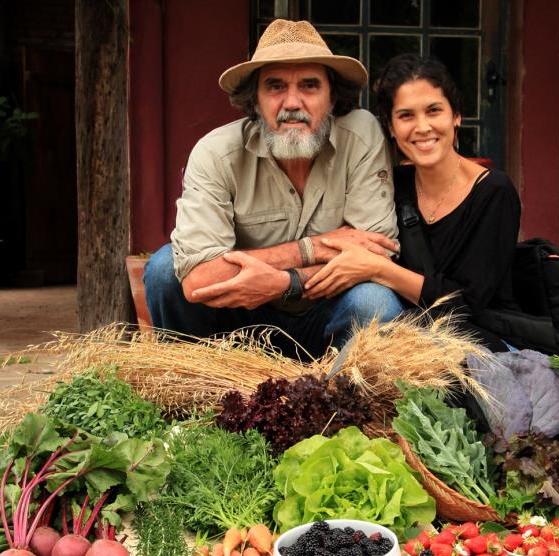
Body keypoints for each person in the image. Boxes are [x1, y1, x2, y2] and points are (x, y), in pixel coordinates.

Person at [143, 19, 404, 358]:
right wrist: (310, 250)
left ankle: (348, 403)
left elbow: (376, 255)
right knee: (166, 270)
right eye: (275, 86)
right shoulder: (215, 153)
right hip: (242, 322)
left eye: (309, 86)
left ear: (332, 97)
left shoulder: (362, 135)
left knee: (374, 301)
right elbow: (199, 278)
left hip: (329, 314)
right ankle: (194, 395)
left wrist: (285, 282)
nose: (292, 102)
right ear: (255, 100)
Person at [303, 53, 522, 351]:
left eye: (434, 111)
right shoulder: (393, 184)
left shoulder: (494, 191)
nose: (422, 127)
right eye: (406, 116)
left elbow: (466, 306)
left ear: (456, 115)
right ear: (391, 128)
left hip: (476, 343)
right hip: (406, 341)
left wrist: (377, 269)